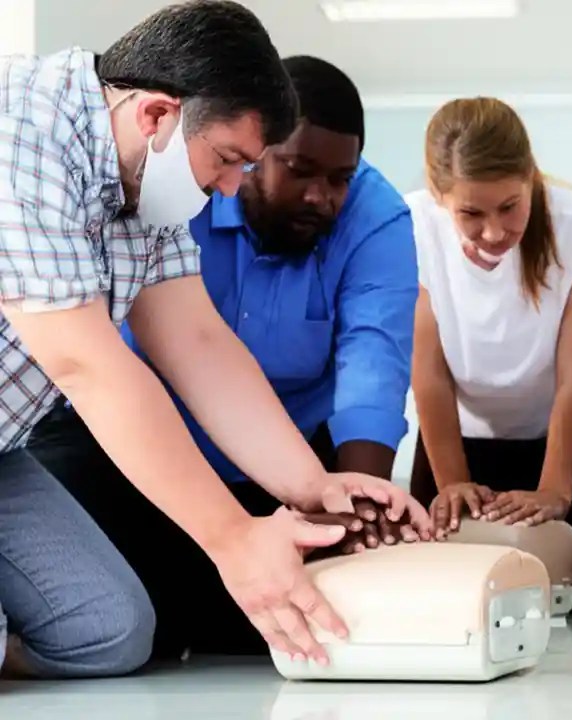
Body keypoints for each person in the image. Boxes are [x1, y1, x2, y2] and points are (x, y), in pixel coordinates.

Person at [0, 0, 429, 680]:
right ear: (158, 114)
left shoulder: (152, 183)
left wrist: (317, 487)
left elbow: (199, 342)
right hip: (50, 424)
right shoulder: (23, 133)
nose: (231, 187)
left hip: (5, 450)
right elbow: (87, 365)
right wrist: (233, 539)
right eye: (228, 160)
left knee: (109, 635)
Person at [405, 97, 572, 593]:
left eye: (510, 207)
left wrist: (554, 488)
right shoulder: (414, 224)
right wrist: (452, 482)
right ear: (440, 196)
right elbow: (429, 372)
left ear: (530, 175)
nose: (494, 231)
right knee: (448, 587)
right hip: (460, 434)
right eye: (471, 213)